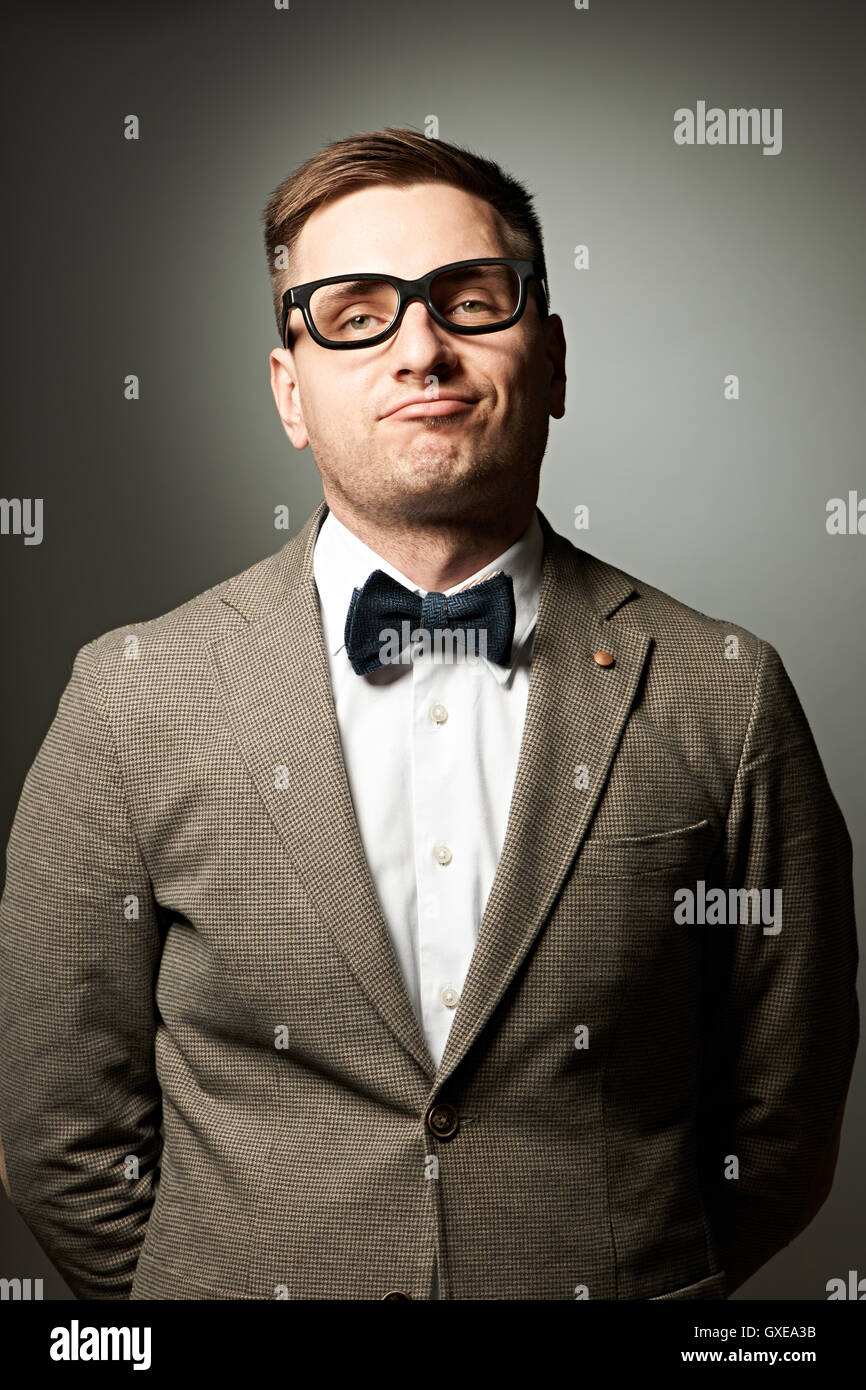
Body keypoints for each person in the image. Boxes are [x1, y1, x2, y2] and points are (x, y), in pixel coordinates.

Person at [0, 127, 857, 1301]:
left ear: (551, 361)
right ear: (288, 390)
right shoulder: (129, 692)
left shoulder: (727, 690)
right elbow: (58, 1134)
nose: (421, 349)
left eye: (469, 300)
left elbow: (781, 1123)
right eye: (356, 310)